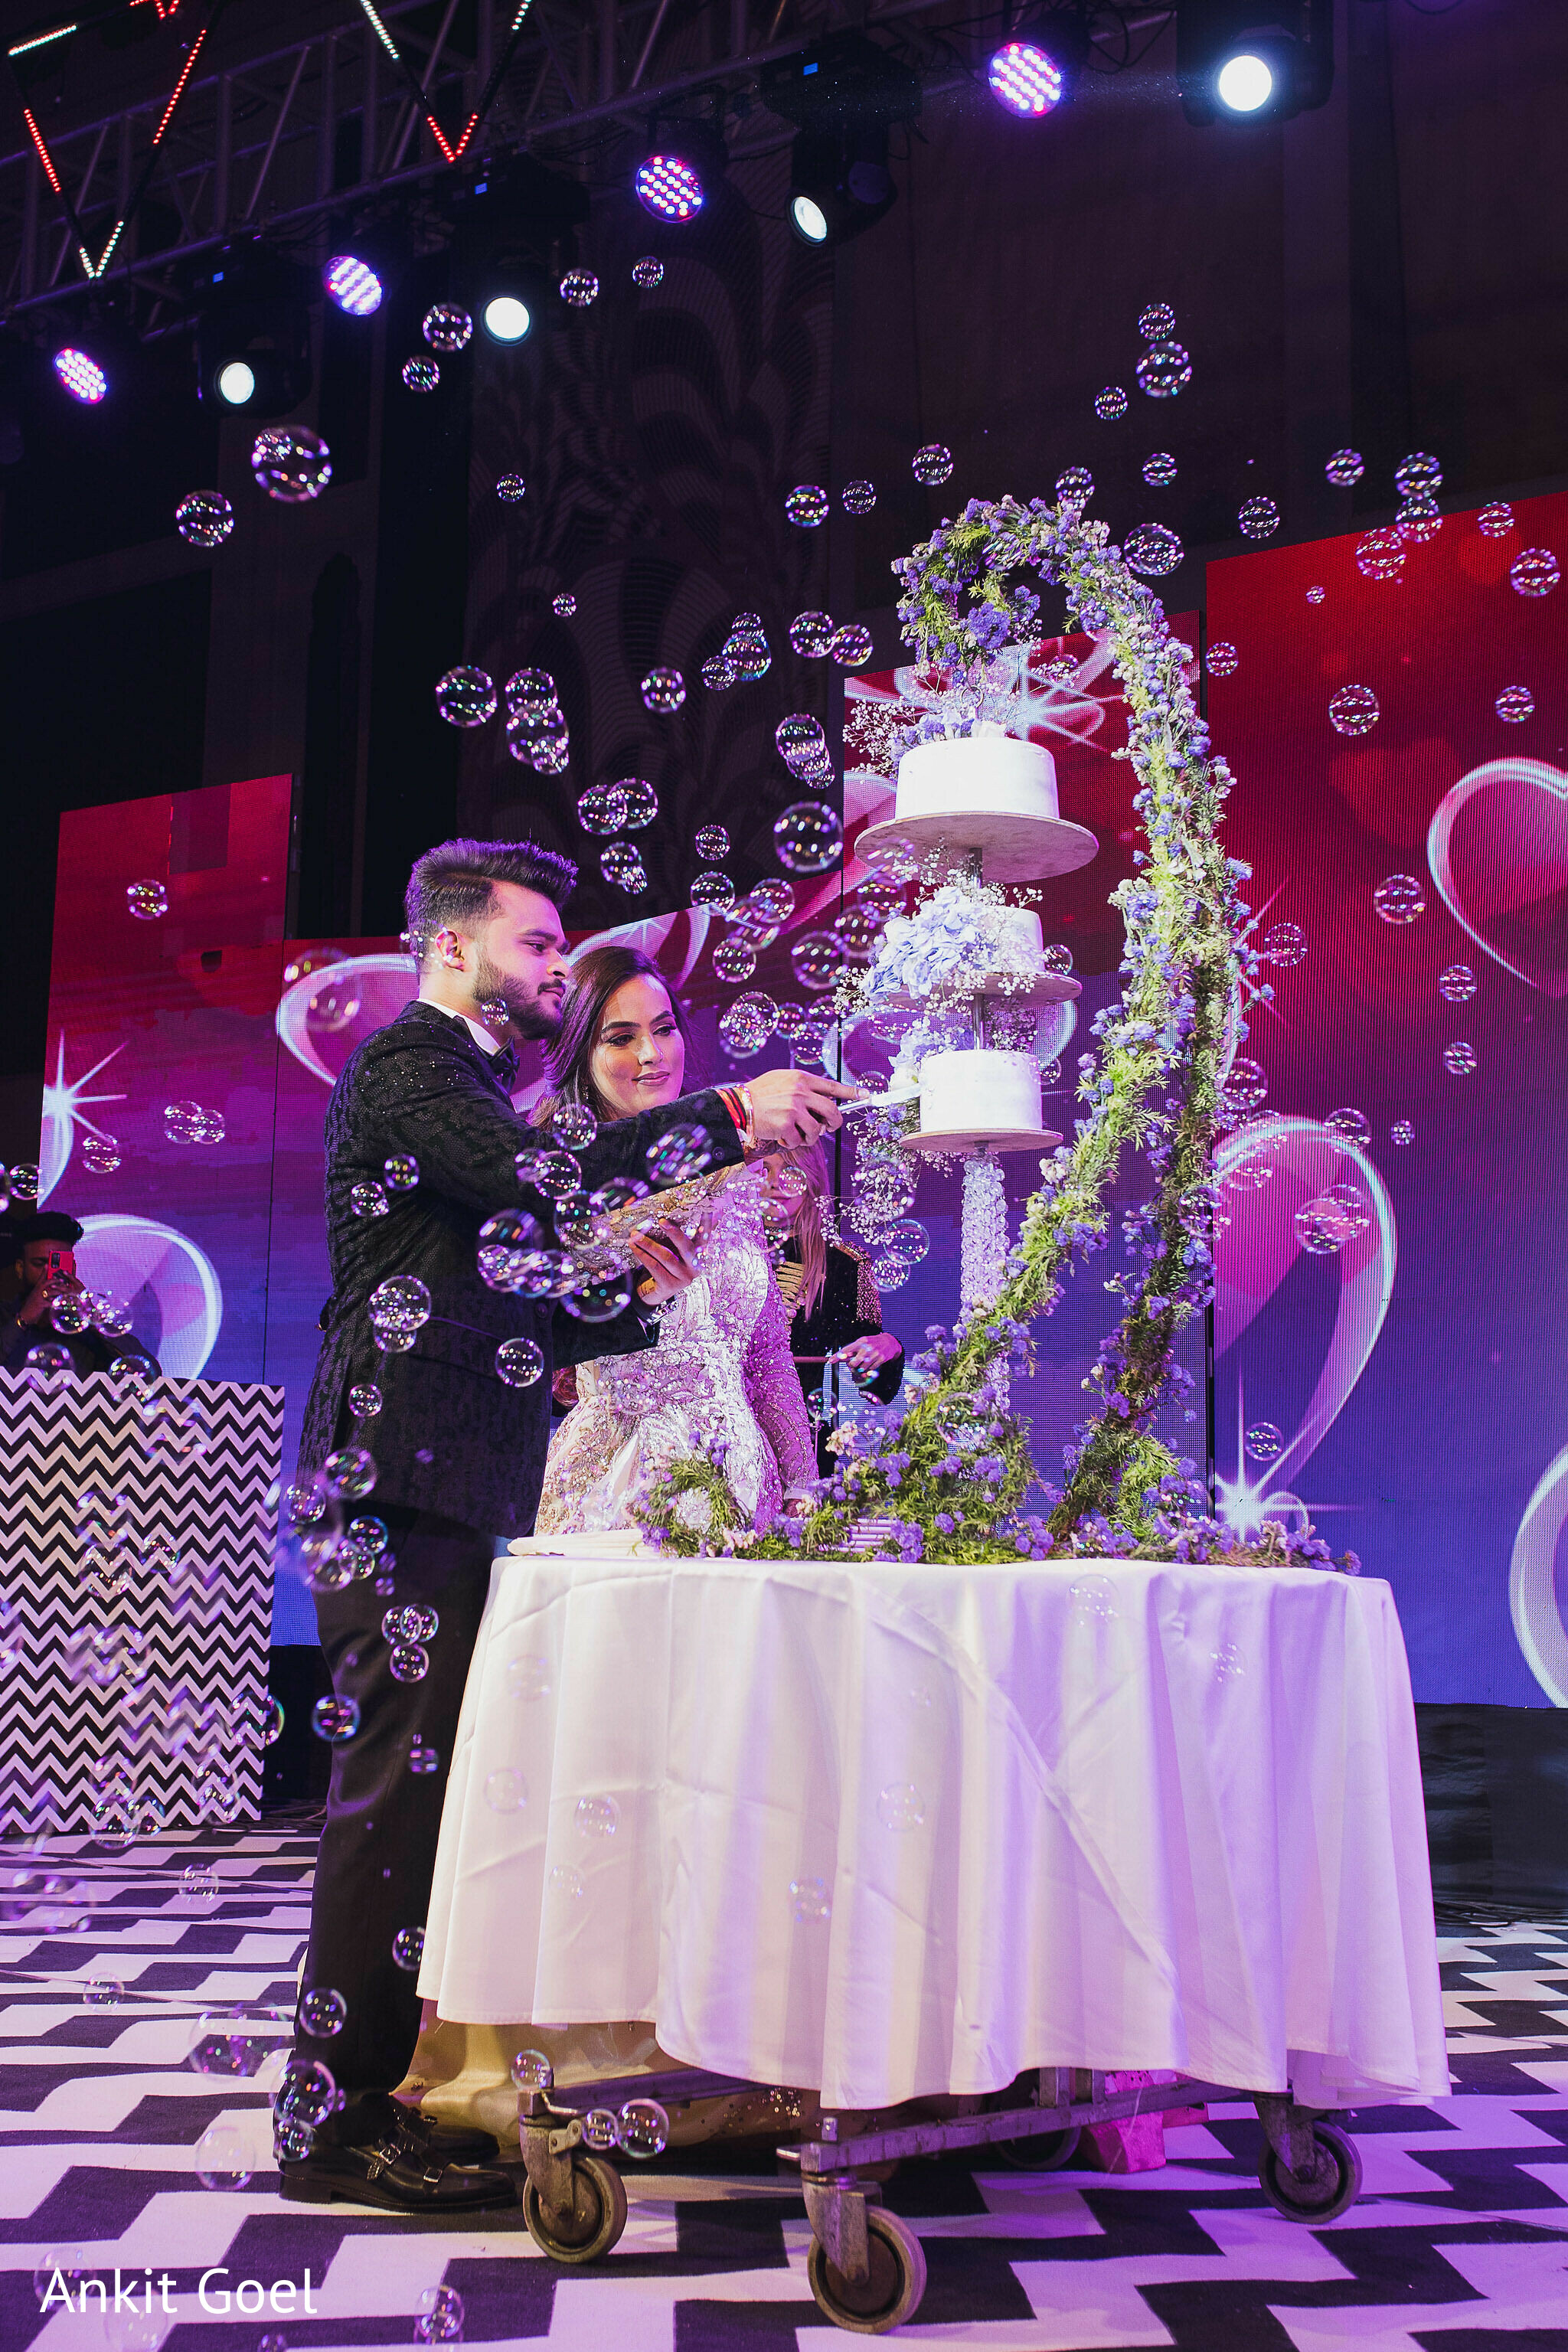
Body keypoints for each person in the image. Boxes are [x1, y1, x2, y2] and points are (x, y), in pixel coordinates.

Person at [287, 838, 855, 2215]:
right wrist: (732, 1108)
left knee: (420, 1796)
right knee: (390, 1797)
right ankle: (331, 2123)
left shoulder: (464, 1086)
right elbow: (543, 1177)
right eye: (536, 943)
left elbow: (516, 1310)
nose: (554, 966)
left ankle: (367, 2096)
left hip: (445, 1484)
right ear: (453, 947)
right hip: (394, 1478)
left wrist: (620, 1295)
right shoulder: (411, 1066)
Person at [534, 946, 818, 1534]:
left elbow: (765, 1356)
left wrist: (800, 1483)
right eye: (621, 1038)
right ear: (580, 1054)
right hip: (615, 1485)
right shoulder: (561, 1176)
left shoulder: (734, 1178)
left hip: (741, 1486)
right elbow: (562, 1300)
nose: (652, 1054)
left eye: (664, 1029)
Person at [771, 1148, 904, 1474]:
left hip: (802, 1440)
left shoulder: (843, 1263)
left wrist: (889, 1347)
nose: (774, 1183)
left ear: (811, 1179)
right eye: (763, 1171)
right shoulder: (716, 1255)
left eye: (789, 1171)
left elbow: (875, 1385)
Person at [0, 1211, 161, 1376]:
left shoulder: (89, 1333)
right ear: (20, 1269)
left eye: (59, 1265)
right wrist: (23, 1320)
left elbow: (149, 1372)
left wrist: (93, 1317)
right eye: (40, 1264)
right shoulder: (3, 1315)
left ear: (73, 1268)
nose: (49, 1274)